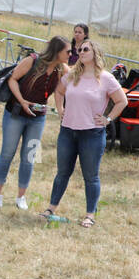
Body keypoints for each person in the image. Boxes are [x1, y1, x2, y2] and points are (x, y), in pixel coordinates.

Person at [44, 40, 128, 227]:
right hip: (67, 131)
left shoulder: (106, 78)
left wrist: (108, 119)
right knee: (62, 173)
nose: (81, 52)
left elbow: (122, 101)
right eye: (79, 49)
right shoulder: (72, 74)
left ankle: (90, 215)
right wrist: (60, 108)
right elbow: (59, 92)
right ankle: (50, 208)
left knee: (90, 176)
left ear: (95, 53)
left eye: (85, 49)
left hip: (92, 134)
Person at [0, 36, 69, 210]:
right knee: (7, 153)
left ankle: (21, 196)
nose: (70, 54)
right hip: (16, 113)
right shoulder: (32, 60)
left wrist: (61, 110)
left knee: (30, 157)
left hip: (38, 118)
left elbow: (63, 90)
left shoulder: (62, 68)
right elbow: (12, 79)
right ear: (57, 51)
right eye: (67, 51)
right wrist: (22, 101)